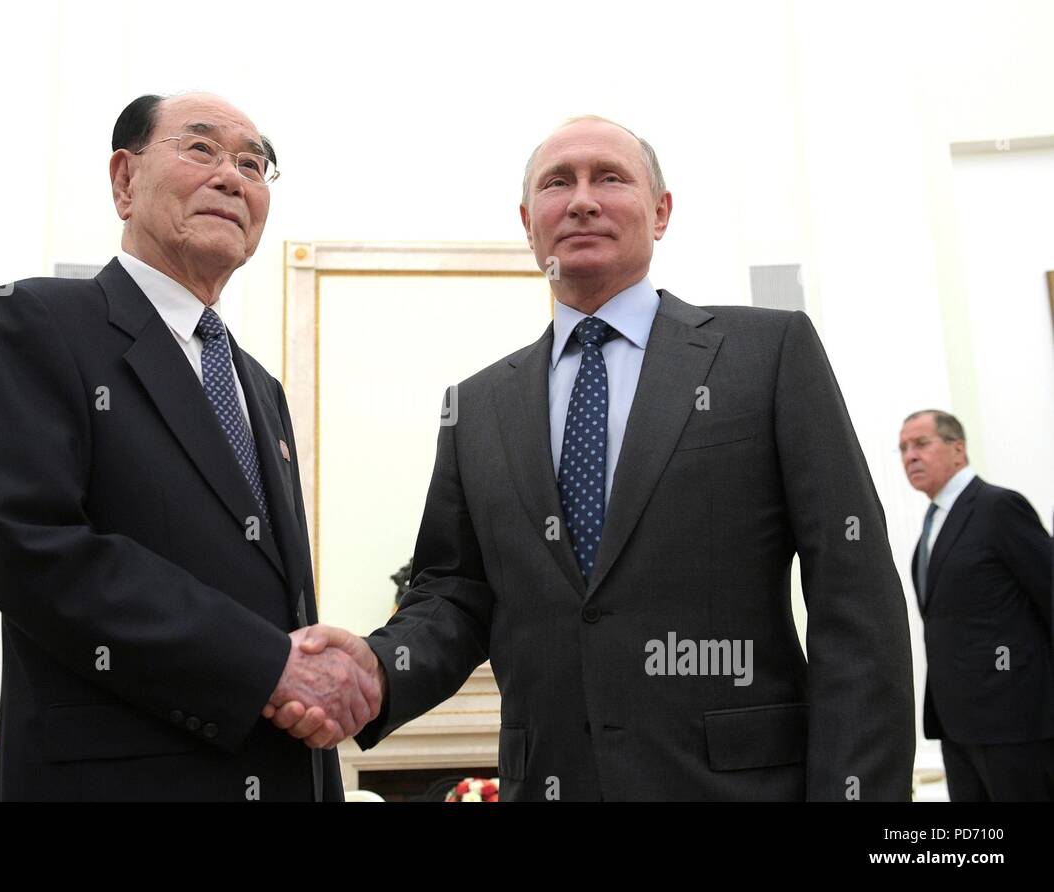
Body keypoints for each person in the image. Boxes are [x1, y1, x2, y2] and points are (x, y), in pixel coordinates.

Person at [278, 115, 915, 800]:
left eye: (609, 177)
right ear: (529, 222)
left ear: (661, 211)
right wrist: (379, 667)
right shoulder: (477, 407)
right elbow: (456, 595)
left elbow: (855, 599)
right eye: (558, 183)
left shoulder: (768, 355)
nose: (582, 199)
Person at [0, 92, 380, 801]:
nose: (232, 177)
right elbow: (33, 549)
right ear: (125, 181)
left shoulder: (259, 385)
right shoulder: (35, 322)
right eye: (201, 149)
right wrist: (266, 665)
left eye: (253, 163)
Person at [899, 409, 1054, 800]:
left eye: (921, 443)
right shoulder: (931, 528)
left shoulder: (998, 508)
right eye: (902, 449)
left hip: (1013, 724)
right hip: (956, 726)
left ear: (958, 449)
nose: (909, 456)